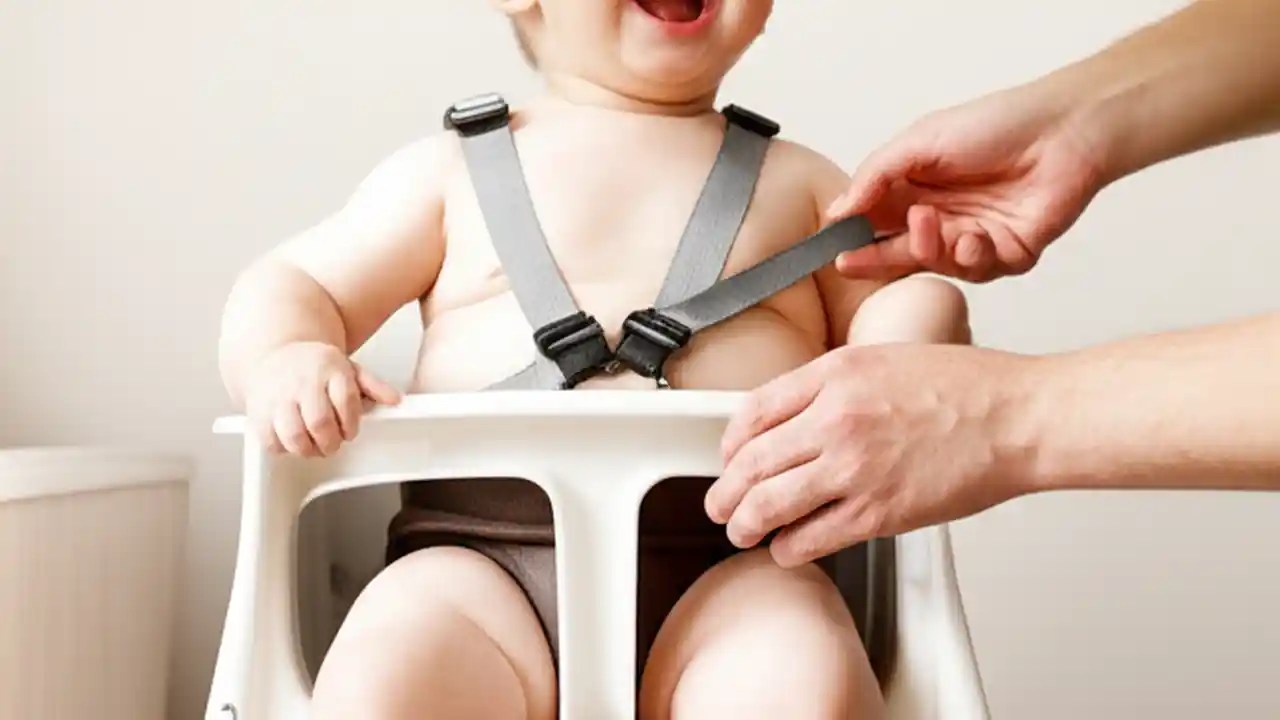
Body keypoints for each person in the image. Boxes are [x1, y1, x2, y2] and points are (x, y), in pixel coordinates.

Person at [217, 0, 973, 717]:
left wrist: (920, 322)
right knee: (388, 672)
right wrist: (286, 355)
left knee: (800, 678)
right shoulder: (451, 173)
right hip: (477, 565)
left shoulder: (807, 185)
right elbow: (296, 283)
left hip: (738, 566)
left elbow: (887, 310)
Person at [708, 0, 1280, 570]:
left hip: (761, 567)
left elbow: (880, 328)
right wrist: (1076, 125)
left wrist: (993, 406)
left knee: (788, 627)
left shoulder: (797, 182)